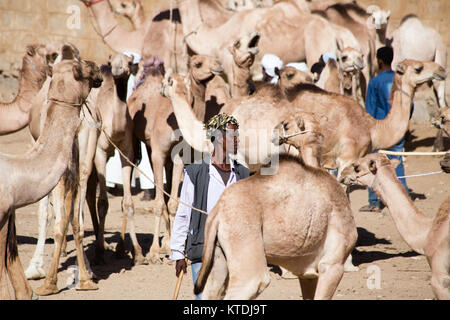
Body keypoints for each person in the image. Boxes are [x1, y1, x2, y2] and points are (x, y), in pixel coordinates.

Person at [170, 113, 249, 300]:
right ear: (219, 138)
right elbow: (184, 213)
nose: (237, 139)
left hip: (235, 254)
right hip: (202, 250)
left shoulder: (242, 173)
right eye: (232, 135)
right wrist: (178, 254)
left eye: (237, 135)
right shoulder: (196, 171)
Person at [360, 46, 411, 213]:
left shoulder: (375, 82)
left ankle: (375, 202)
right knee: (398, 164)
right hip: (397, 129)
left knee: (374, 163)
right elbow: (410, 105)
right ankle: (403, 200)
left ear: (379, 61)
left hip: (380, 131)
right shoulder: (400, 80)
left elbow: (370, 110)